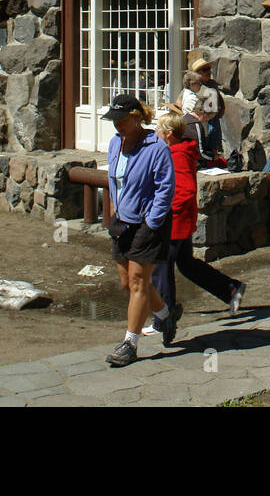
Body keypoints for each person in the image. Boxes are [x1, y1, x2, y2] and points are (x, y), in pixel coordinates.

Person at [150, 112, 247, 326]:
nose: (155, 132)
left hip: (175, 219)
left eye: (158, 129)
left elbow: (185, 190)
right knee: (185, 263)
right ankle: (229, 288)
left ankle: (163, 318)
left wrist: (163, 212)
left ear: (168, 134)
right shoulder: (178, 151)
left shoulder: (176, 155)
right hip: (180, 217)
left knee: (162, 264)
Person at [102, 94, 177, 368]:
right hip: (122, 222)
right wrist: (111, 212)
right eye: (114, 121)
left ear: (136, 118)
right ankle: (167, 315)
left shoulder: (156, 147)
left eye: (122, 120)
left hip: (147, 223)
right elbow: (113, 181)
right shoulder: (114, 144)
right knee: (128, 283)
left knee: (137, 281)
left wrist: (153, 221)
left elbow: (165, 188)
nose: (117, 125)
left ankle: (130, 344)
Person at [190, 56, 225, 164]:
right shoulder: (195, 86)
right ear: (197, 73)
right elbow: (180, 102)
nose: (208, 72)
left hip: (213, 118)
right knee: (205, 142)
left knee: (215, 142)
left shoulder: (212, 83)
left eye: (209, 69)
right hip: (202, 119)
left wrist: (222, 109)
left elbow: (219, 97)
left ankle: (214, 161)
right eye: (205, 70)